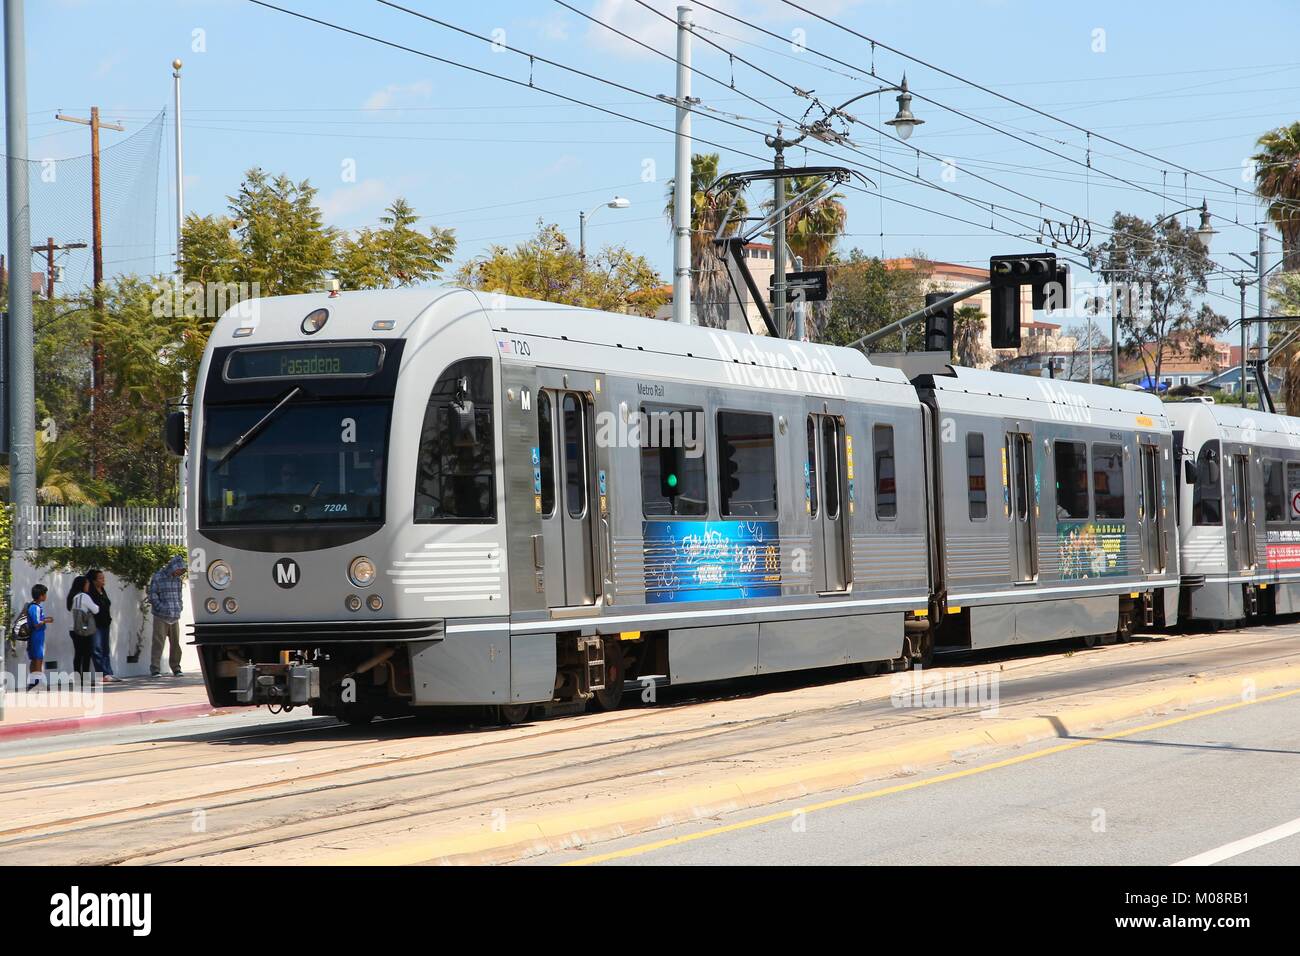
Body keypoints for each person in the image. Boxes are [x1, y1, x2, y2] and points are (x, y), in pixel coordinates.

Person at [147, 555, 187, 677]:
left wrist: (180, 607)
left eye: (182, 570)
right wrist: (161, 608)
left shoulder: (178, 580)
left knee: (176, 644)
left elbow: (179, 596)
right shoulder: (158, 577)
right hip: (161, 616)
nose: (180, 572)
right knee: (158, 643)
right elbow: (152, 595)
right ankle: (155, 669)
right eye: (179, 569)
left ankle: (176, 668)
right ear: (173, 567)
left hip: (175, 617)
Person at [85, 569, 120, 683]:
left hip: (105, 623)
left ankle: (108, 672)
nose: (103, 579)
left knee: (105, 649)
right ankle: (102, 674)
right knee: (97, 649)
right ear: (94, 580)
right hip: (95, 624)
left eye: (103, 577)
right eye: (100, 578)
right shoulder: (90, 593)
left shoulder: (102, 591)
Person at [65, 575, 99, 682]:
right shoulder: (83, 596)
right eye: (87, 583)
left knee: (78, 654)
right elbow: (96, 609)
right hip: (83, 629)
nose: (88, 585)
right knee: (86, 654)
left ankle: (77, 678)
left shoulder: (72, 597)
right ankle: (85, 679)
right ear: (83, 585)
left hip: (73, 629)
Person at [25, 585, 53, 690]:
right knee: (38, 659)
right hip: (37, 635)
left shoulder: (33, 606)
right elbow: (37, 623)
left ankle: (33, 682)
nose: (46, 596)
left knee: (34, 659)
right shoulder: (35, 607)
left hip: (35, 635)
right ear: (40, 596)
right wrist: (47, 620)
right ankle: (38, 682)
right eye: (44, 594)